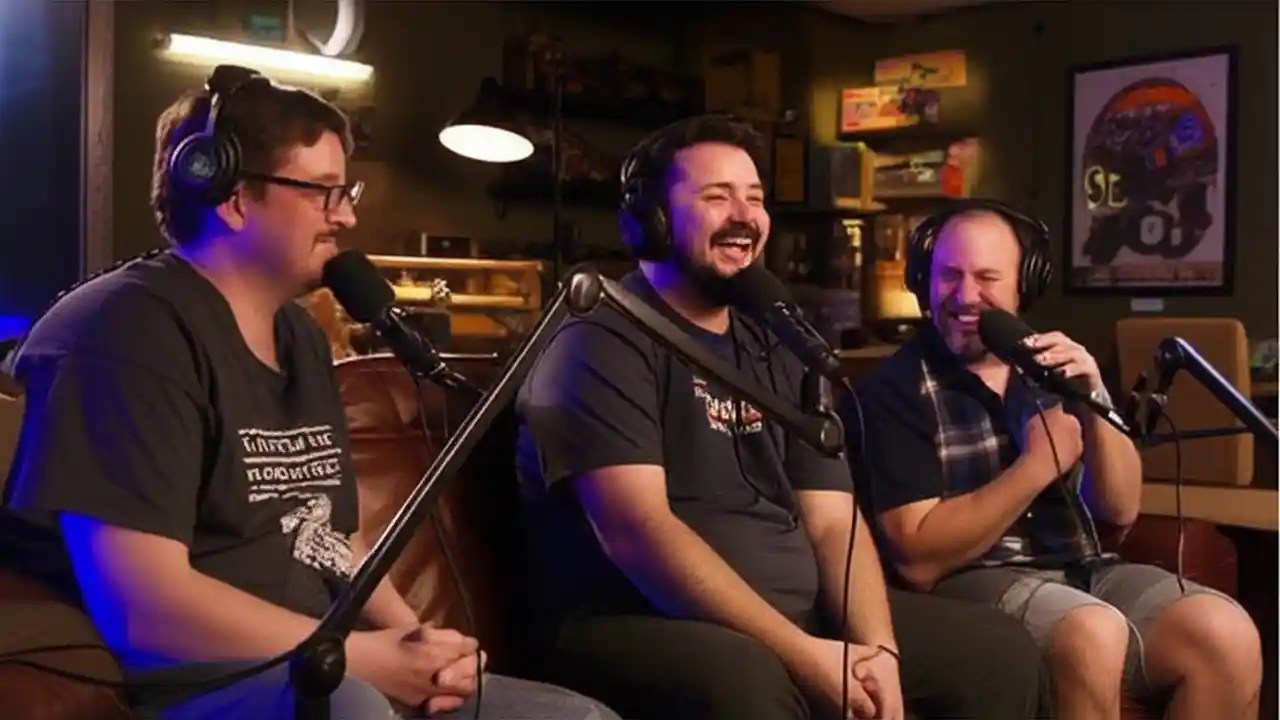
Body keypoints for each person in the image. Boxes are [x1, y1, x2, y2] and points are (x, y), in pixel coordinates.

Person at [0, 64, 618, 720]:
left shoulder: (296, 330)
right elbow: (142, 606)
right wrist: (362, 657)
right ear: (233, 195)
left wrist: (420, 643)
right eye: (323, 191)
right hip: (204, 684)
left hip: (326, 660)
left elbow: (323, 536)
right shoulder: (123, 329)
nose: (347, 216)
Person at [514, 115, 1049, 720]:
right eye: (716, 197)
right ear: (654, 220)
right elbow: (640, 533)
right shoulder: (601, 338)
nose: (744, 215)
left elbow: (832, 522)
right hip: (633, 618)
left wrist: (878, 652)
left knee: (997, 653)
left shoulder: (776, 342)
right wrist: (805, 654)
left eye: (755, 198)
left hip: (794, 615)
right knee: (749, 682)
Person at [847, 198, 1262, 720]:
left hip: (1084, 569)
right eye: (949, 275)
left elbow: (1119, 509)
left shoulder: (1050, 366)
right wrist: (1035, 468)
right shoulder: (894, 390)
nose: (965, 295)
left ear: (1025, 285)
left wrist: (1094, 400)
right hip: (974, 582)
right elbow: (919, 556)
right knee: (1094, 632)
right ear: (923, 282)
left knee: (1226, 633)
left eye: (987, 277)